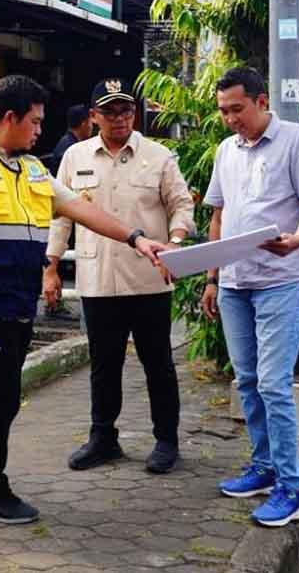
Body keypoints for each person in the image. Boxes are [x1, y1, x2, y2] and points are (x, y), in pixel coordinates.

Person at [0, 75, 168, 525]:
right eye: (34, 122)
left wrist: (137, 238)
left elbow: (82, 210)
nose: (40, 130)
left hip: (18, 301)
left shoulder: (32, 169)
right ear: (11, 117)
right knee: (0, 400)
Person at [44, 78, 196, 474]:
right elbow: (60, 216)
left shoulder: (159, 156)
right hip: (98, 278)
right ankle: (103, 439)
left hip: (149, 279)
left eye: (126, 111)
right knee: (103, 364)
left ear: (135, 113)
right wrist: (52, 266)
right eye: (109, 112)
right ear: (93, 116)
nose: (119, 119)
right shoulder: (75, 157)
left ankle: (166, 440)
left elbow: (182, 206)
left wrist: (176, 241)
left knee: (157, 362)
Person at [200, 67, 299, 528]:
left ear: (260, 101)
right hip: (234, 283)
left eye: (237, 109)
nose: (230, 118)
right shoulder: (225, 150)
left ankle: (292, 491)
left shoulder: (296, 140)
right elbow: (219, 216)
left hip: (280, 279)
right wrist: (212, 278)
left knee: (275, 385)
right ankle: (263, 467)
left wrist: (297, 238)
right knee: (249, 380)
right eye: (223, 111)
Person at [43, 104, 93, 321]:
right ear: (84, 123)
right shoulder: (70, 150)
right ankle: (54, 305)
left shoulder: (71, 144)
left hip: (66, 209)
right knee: (57, 260)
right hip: (63, 211)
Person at [48, 104, 92, 176]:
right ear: (84, 124)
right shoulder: (70, 148)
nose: (91, 127)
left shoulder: (69, 141)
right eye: (90, 122)